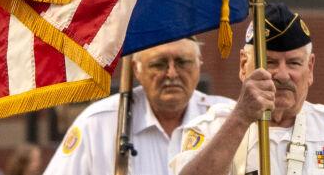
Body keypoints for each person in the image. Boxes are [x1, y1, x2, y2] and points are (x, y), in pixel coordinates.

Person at [171, 2, 324, 174]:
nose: (282, 75)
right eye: (269, 62)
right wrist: (241, 117)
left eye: (293, 63)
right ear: (243, 65)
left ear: (310, 68)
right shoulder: (212, 128)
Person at [43, 38, 230, 175]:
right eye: (159, 64)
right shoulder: (97, 125)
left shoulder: (226, 119)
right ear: (136, 70)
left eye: (183, 62)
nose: (172, 73)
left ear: (199, 65)